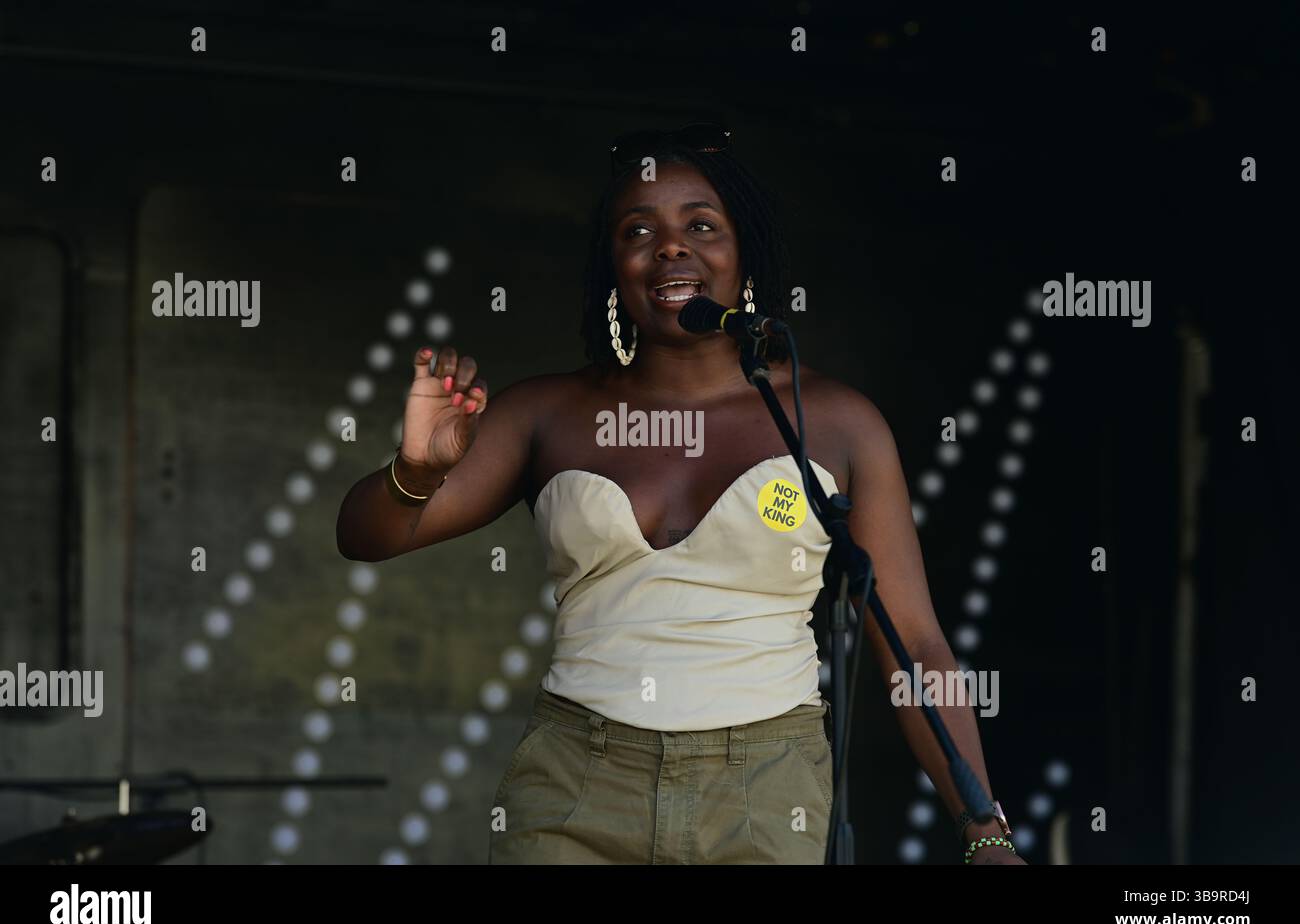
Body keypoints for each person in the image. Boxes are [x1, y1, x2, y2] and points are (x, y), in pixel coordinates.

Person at [336, 123, 1023, 865]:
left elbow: (913, 641)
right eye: (639, 230)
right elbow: (367, 535)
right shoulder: (547, 412)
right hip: (575, 779)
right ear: (614, 266)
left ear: (742, 254)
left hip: (764, 789)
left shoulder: (835, 423)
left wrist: (984, 830)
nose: (669, 246)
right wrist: (417, 469)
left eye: (701, 224)